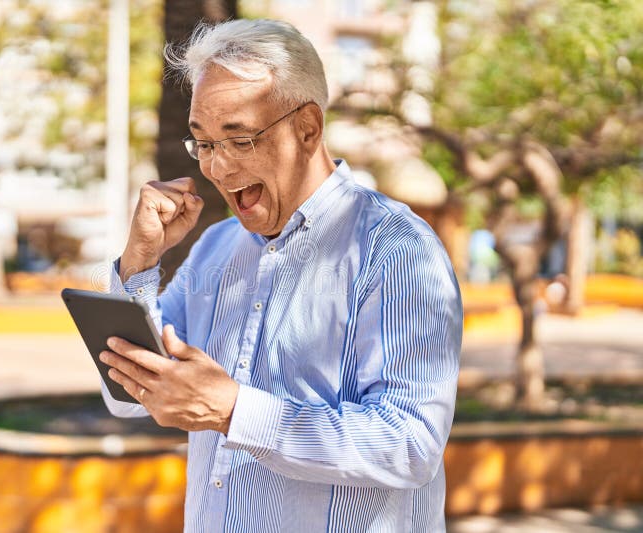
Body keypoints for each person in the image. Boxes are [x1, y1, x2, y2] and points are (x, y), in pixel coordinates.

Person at [98, 18, 462, 533]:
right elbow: (128, 393)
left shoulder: (396, 249)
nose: (217, 169)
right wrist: (138, 263)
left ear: (308, 128)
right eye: (202, 143)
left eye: (239, 140)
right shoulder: (216, 247)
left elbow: (411, 445)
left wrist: (234, 412)